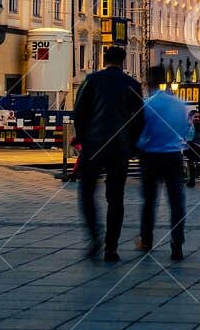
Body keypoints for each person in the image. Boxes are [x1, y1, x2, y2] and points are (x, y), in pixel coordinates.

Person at [72, 46, 144, 261]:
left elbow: (79, 112)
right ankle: (111, 247)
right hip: (119, 148)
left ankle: (95, 236)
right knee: (116, 198)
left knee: (86, 194)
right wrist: (131, 144)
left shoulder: (91, 81)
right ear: (123, 61)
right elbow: (139, 118)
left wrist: (84, 139)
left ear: (104, 59)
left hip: (93, 147)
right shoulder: (132, 84)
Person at [136, 87, 190, 261]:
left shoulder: (147, 104)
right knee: (176, 202)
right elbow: (183, 130)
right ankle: (177, 244)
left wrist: (142, 146)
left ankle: (146, 240)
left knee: (149, 200)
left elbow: (141, 134)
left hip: (151, 157)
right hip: (173, 156)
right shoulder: (180, 105)